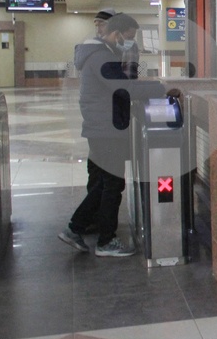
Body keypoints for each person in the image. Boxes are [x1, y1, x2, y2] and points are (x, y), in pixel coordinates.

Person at [58, 13, 162, 257]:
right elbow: (123, 87)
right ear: (116, 34)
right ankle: (105, 240)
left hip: (103, 126)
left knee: (106, 182)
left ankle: (76, 227)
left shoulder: (99, 54)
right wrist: (160, 88)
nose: (130, 42)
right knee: (112, 184)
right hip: (106, 129)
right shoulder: (101, 56)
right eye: (129, 37)